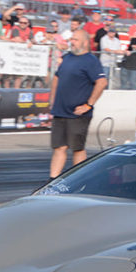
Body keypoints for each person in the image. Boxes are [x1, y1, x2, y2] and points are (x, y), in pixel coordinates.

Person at [49, 29, 107, 179]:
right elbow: (56, 77)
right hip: (60, 111)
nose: (72, 42)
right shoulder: (66, 57)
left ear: (85, 42)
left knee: (77, 148)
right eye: (71, 39)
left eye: (75, 39)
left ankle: (79, 179)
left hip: (78, 114)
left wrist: (89, 105)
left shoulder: (91, 61)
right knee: (59, 147)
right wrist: (52, 99)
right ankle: (52, 180)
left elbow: (101, 82)